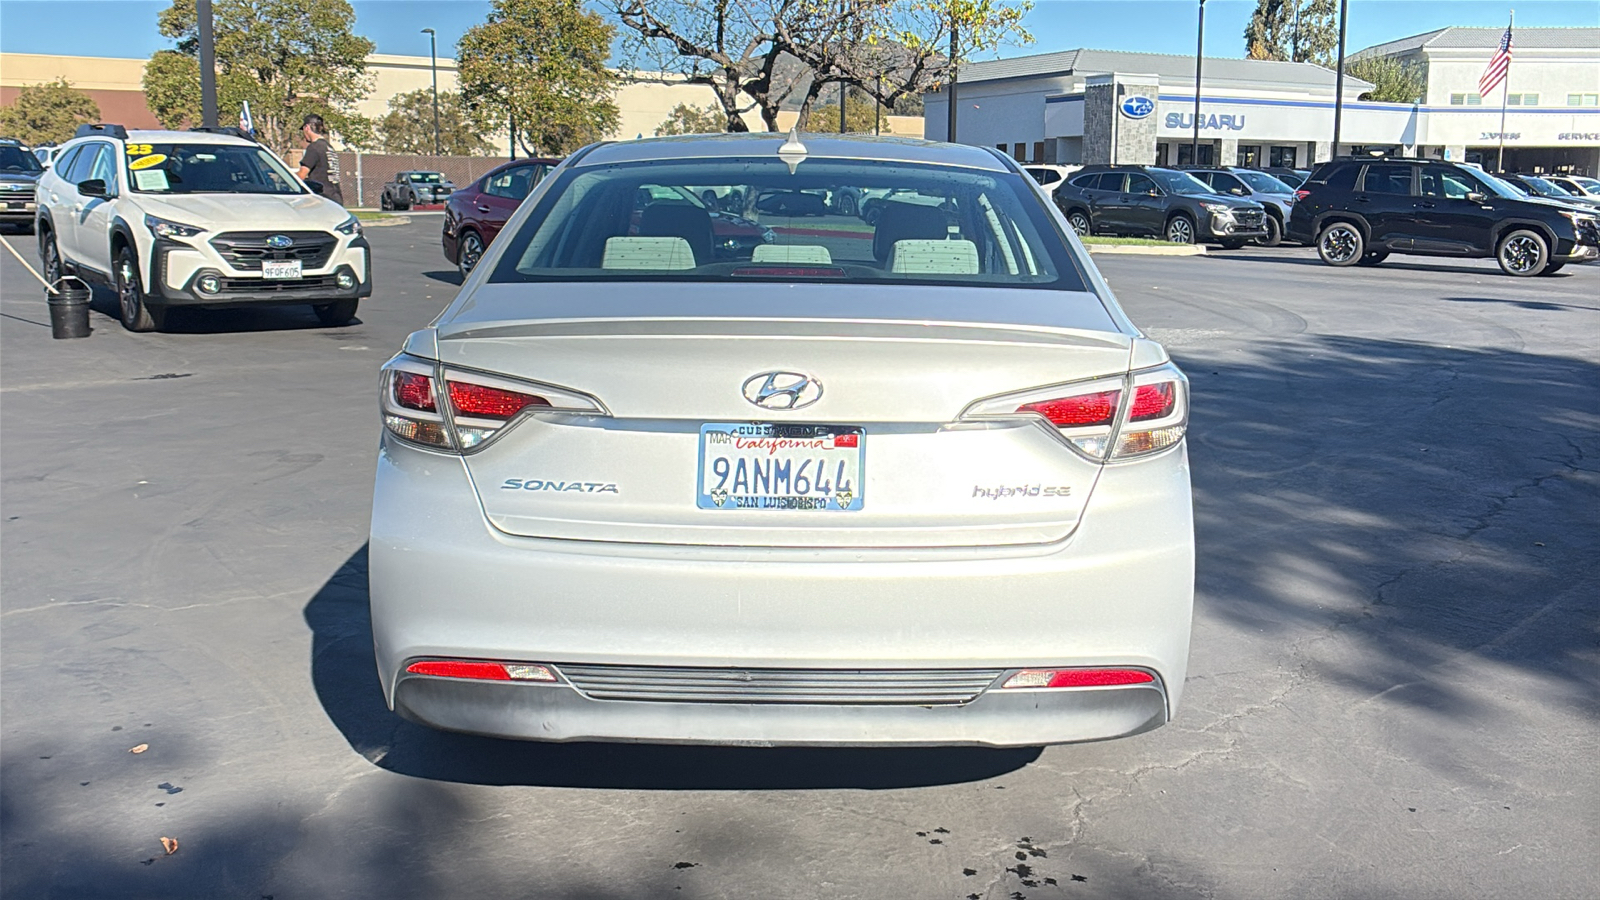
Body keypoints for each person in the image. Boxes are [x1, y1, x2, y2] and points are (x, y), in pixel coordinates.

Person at [296, 114, 344, 206]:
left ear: (307, 127)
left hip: (322, 199)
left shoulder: (314, 147)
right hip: (335, 199)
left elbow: (301, 175)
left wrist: (285, 182)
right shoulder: (328, 147)